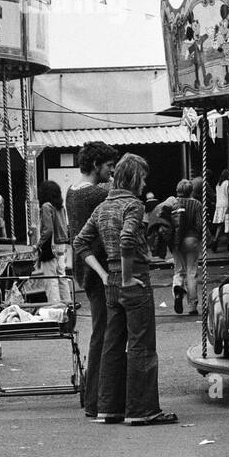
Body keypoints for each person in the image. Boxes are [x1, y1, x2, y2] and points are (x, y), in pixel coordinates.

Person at [73, 153, 177, 425]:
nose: (144, 184)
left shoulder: (103, 207)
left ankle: (108, 408)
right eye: (142, 178)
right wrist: (129, 276)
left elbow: (80, 243)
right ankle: (142, 410)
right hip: (134, 280)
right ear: (133, 178)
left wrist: (105, 274)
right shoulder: (133, 205)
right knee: (141, 345)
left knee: (112, 345)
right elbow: (127, 237)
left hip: (111, 282)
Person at [67, 141, 119, 419]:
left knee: (101, 331)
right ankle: (97, 399)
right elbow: (119, 189)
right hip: (97, 269)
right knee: (104, 333)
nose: (111, 172)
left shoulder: (72, 191)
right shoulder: (96, 193)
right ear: (96, 165)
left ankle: (96, 397)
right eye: (108, 166)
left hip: (84, 268)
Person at [163, 179, 203, 315]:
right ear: (191, 191)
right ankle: (192, 306)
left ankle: (178, 290)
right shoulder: (197, 204)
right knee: (192, 272)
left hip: (176, 241)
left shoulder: (173, 203)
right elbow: (199, 225)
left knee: (179, 270)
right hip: (192, 240)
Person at [34, 180, 70, 303]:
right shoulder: (60, 207)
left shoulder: (46, 206)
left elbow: (48, 229)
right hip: (61, 245)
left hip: (51, 245)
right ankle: (67, 304)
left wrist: (38, 244)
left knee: (51, 278)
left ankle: (55, 306)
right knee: (61, 276)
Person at [212, 168, 229, 251]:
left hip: (219, 205)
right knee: (228, 225)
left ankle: (215, 241)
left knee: (220, 225)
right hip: (226, 204)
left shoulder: (218, 184)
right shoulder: (227, 183)